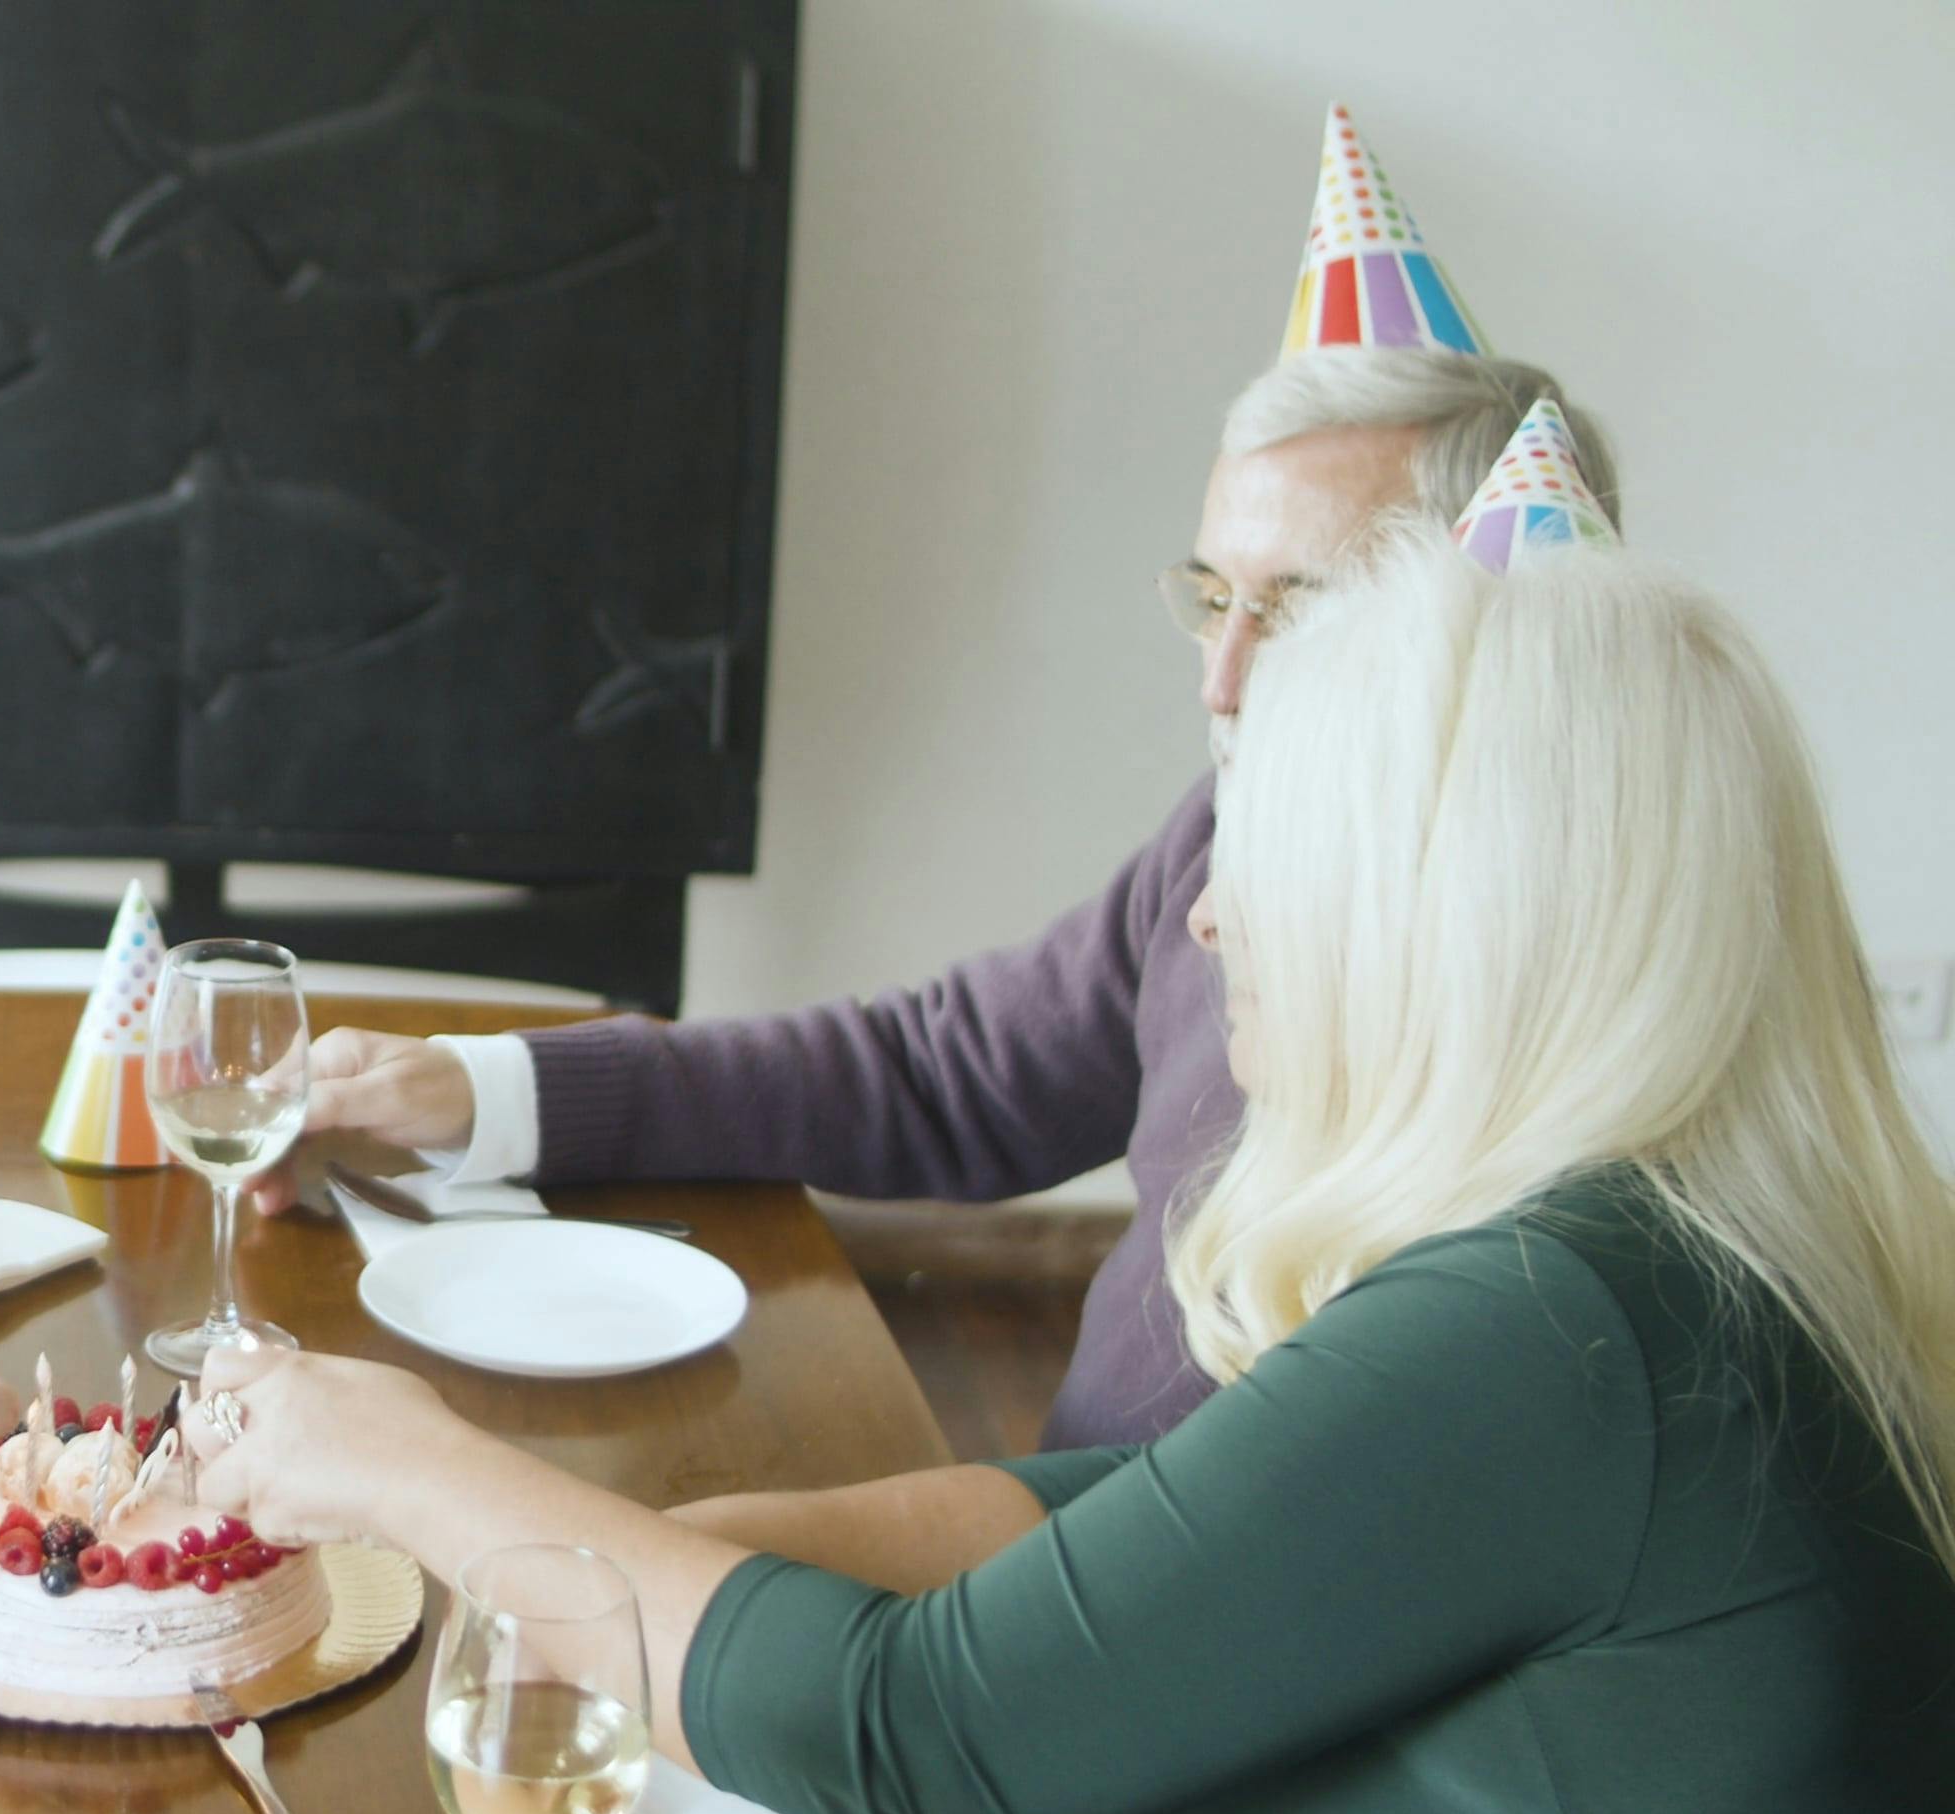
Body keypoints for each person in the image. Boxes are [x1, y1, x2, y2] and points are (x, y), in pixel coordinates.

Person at [191, 509, 1955, 1814]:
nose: (1209, 911)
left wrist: (408, 1467)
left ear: (1458, 922)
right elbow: (1169, 1510)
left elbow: (918, 1734)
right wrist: (674, 1555)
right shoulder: (1645, 1248)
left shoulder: (1562, 1329)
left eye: (1278, 846)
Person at [270, 113, 1619, 1456]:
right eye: (1211, 599)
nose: (1221, 681)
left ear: (1492, 631)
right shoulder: (1228, 834)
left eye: (1303, 607)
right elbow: (940, 1074)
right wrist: (487, 1090)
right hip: (1052, 1548)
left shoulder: (1569, 1036)